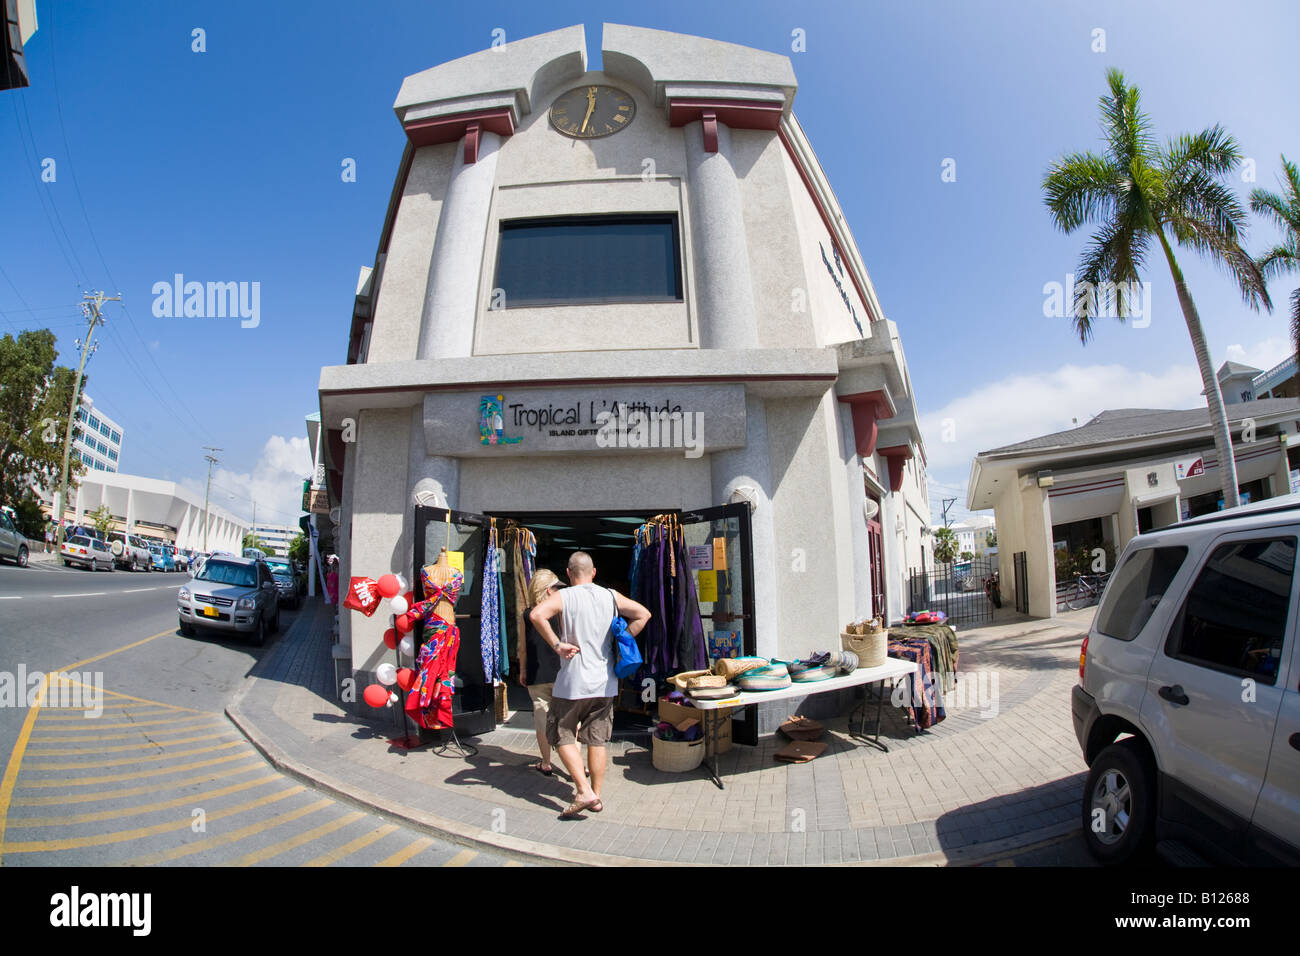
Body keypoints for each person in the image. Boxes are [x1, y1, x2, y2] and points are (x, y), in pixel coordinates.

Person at [529, 551, 651, 818]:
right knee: (597, 741)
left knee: (560, 735)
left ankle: (583, 790)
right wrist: (623, 639)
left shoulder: (563, 596)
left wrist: (558, 645)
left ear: (569, 574)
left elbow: (537, 615)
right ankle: (596, 796)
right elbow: (643, 614)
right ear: (593, 572)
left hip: (572, 683)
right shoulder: (610, 596)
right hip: (605, 683)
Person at [518, 569, 564, 775]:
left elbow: (523, 647)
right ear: (547, 590)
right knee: (570, 721)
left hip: (537, 674)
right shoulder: (560, 612)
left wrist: (522, 670)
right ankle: (580, 766)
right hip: (561, 673)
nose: (558, 591)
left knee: (542, 722)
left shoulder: (527, 615)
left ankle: (546, 763)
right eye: (555, 587)